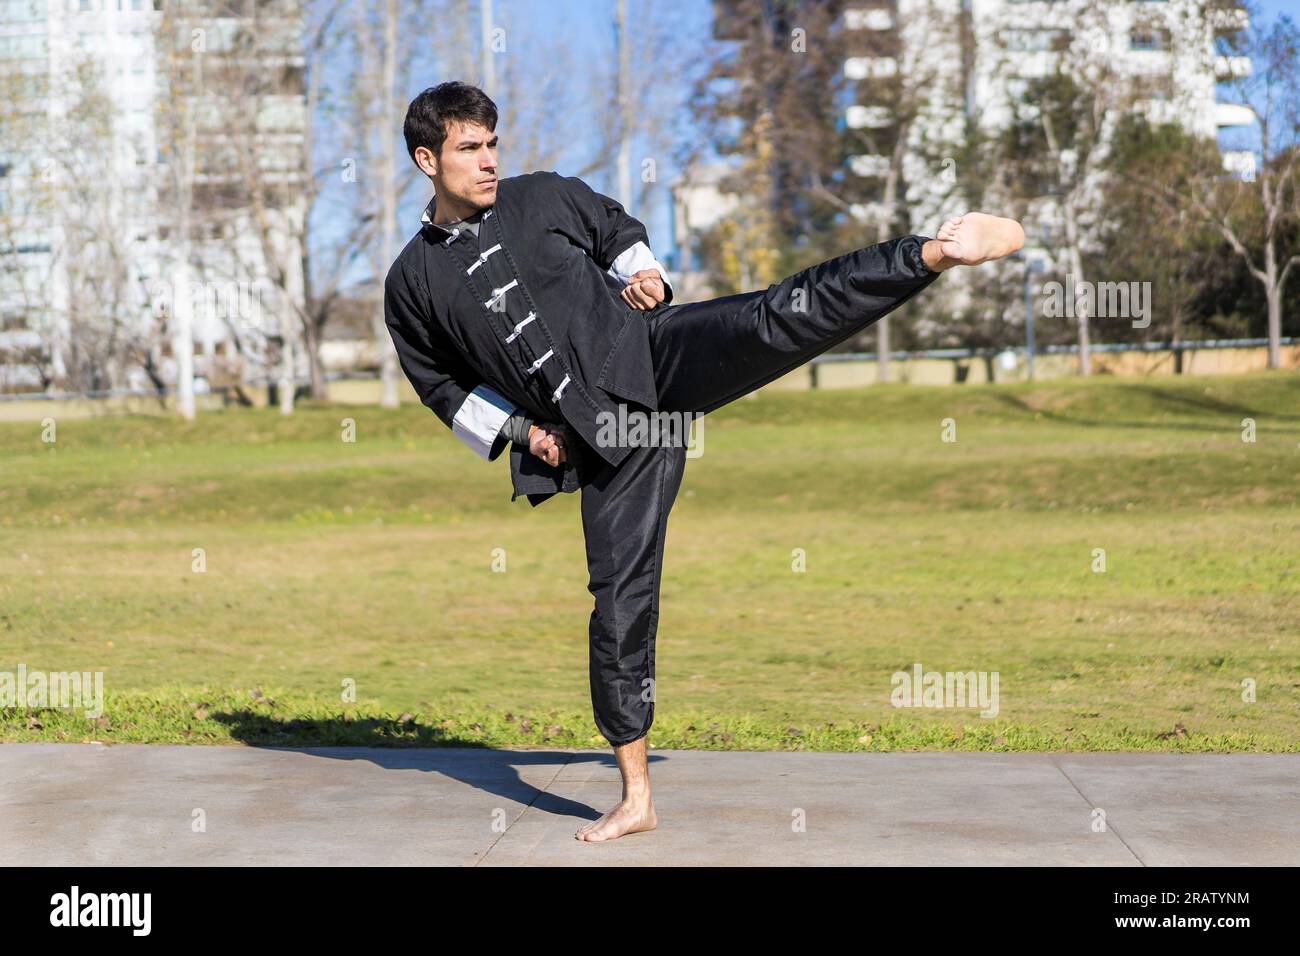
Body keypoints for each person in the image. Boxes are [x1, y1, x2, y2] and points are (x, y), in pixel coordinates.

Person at [383, 81, 1025, 843]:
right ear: (428, 159)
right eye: (469, 148)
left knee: (777, 314)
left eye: (493, 143)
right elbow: (443, 390)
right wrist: (524, 434)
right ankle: (636, 797)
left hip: (650, 358)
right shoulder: (410, 284)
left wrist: (640, 270)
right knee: (619, 603)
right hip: (609, 438)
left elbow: (615, 228)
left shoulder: (545, 195)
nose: (489, 161)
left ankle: (934, 251)